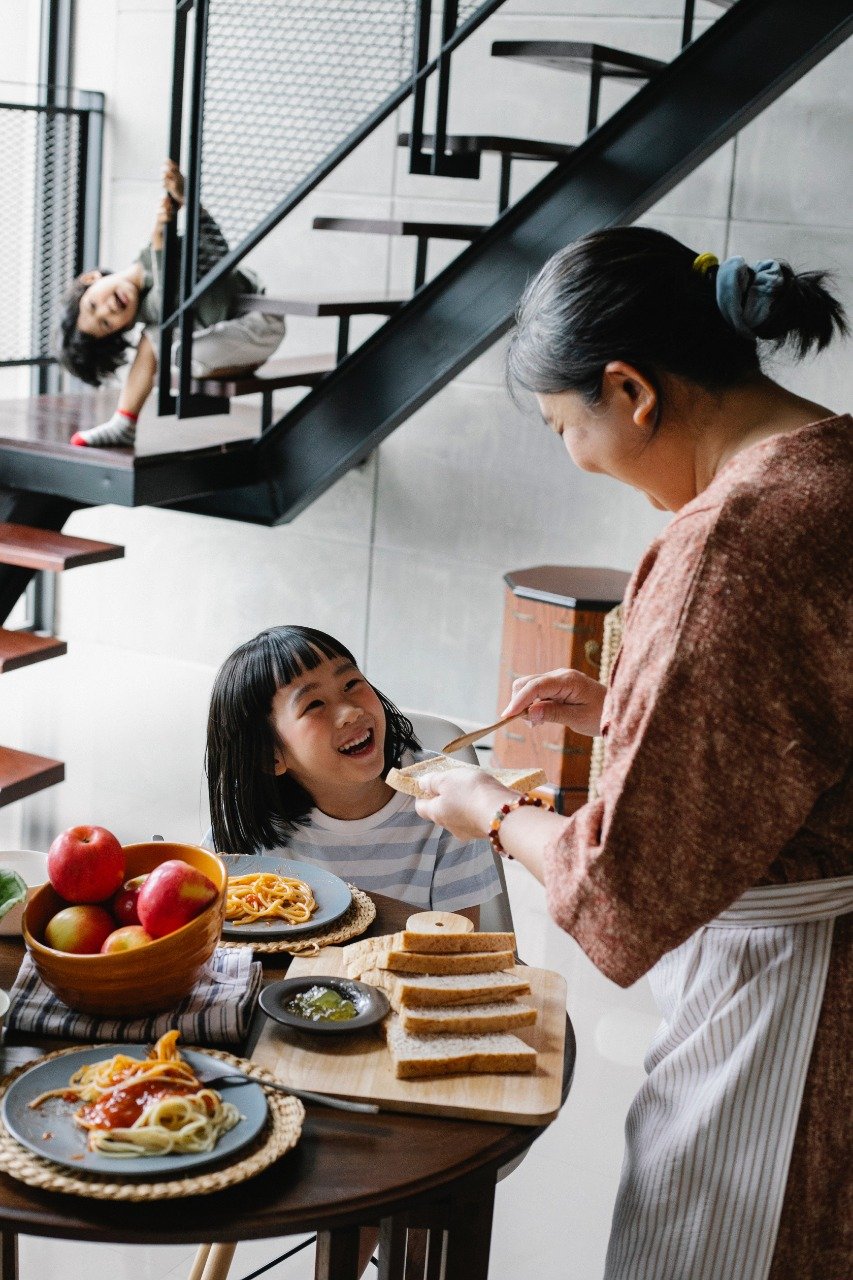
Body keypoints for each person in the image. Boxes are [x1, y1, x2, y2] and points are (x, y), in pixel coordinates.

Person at [413, 227, 851, 1280]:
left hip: (792, 1007)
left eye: (567, 424)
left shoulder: (732, 541)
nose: (574, 452)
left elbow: (621, 889)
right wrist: (624, 708)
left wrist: (489, 809)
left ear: (630, 389)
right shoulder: (834, 463)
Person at [205, 624, 501, 924]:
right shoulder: (249, 822)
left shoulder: (444, 797)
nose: (350, 711)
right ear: (270, 756)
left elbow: (458, 948)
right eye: (314, 704)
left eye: (351, 684)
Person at [55, 159, 285, 449]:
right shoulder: (152, 299)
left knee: (169, 345)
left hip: (259, 322)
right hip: (223, 339)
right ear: (120, 329)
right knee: (160, 338)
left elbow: (216, 253)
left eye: (93, 305)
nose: (108, 310)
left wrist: (187, 199)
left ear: (91, 278)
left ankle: (125, 423)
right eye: (106, 324)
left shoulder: (150, 255)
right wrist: (160, 241)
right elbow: (165, 301)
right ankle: (124, 423)